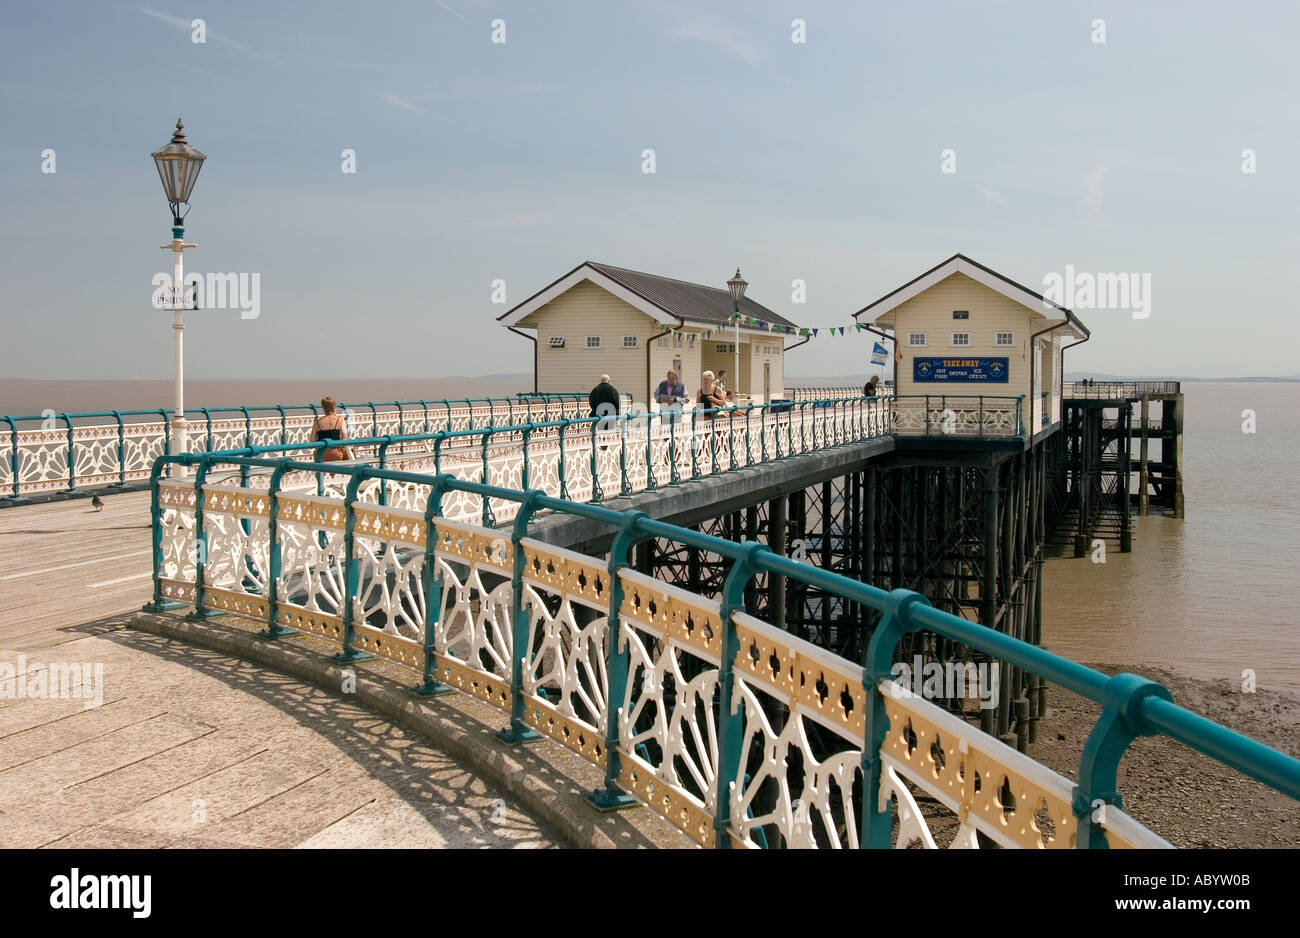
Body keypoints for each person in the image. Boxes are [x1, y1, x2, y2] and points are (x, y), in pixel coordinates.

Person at [312, 397, 351, 462]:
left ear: (324, 409)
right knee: (347, 452)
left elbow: (312, 440)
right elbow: (344, 437)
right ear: (334, 408)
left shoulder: (317, 422)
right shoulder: (340, 420)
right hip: (335, 453)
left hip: (320, 454)